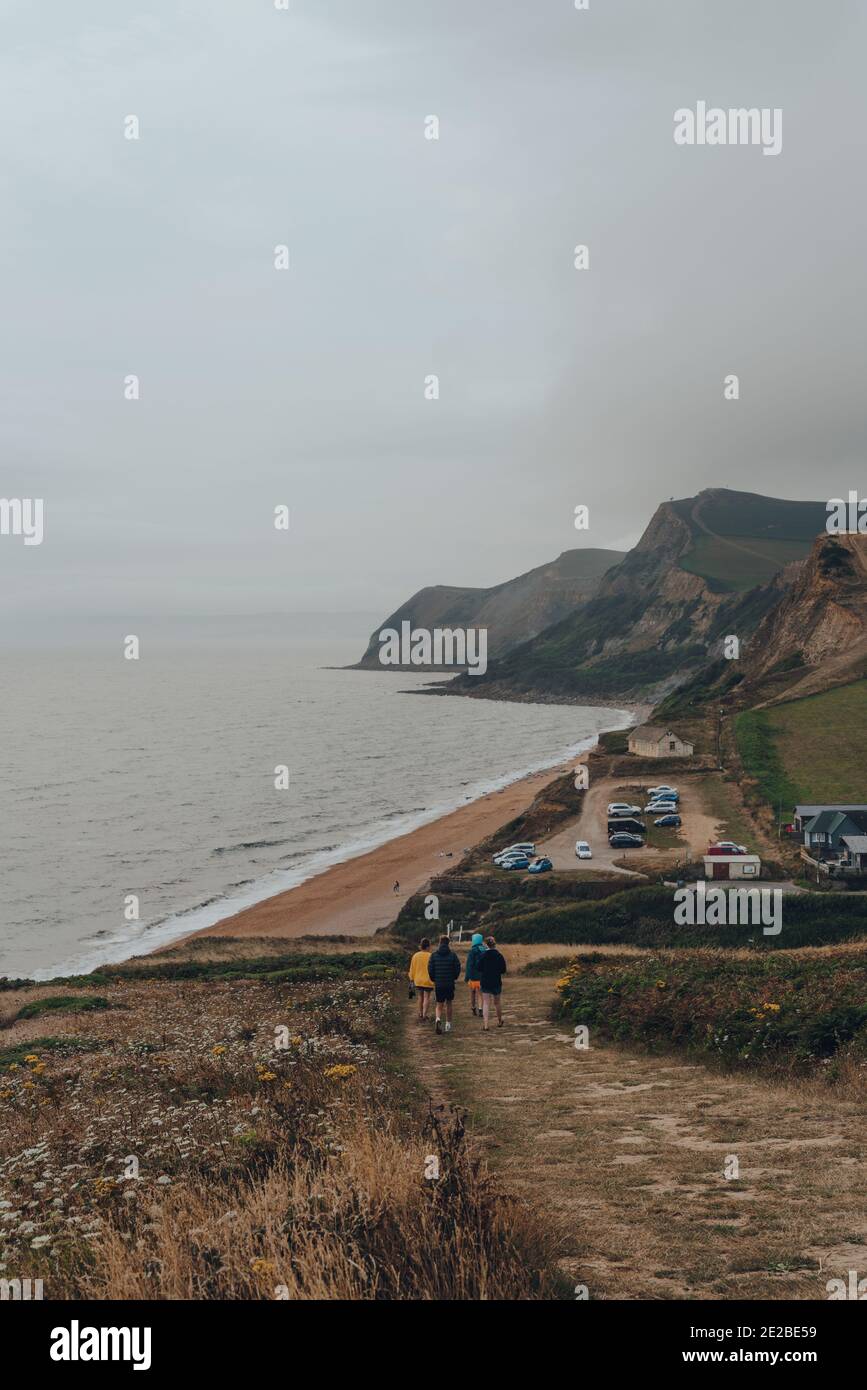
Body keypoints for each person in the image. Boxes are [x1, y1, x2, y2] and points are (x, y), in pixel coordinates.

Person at [427, 934, 461, 1033]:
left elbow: (430, 969)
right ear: (448, 943)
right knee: (449, 1003)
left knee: (439, 1004)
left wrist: (434, 979)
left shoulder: (433, 955)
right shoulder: (453, 955)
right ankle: (448, 1025)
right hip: (449, 984)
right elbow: (457, 968)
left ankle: (438, 1019)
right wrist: (454, 977)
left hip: (439, 984)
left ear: (440, 943)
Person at [478, 935, 507, 1031]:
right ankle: (499, 1020)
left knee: (486, 1003)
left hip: (485, 981)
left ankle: (486, 1025)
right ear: (494, 944)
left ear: (486, 945)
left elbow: (478, 968)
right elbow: (503, 970)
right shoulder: (499, 955)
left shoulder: (482, 955)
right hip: (496, 981)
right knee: (497, 1002)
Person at [408, 938, 434, 1022]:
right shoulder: (431, 956)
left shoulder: (415, 955)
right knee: (426, 997)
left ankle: (420, 1013)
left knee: (420, 997)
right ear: (427, 946)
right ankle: (424, 1015)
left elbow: (412, 969)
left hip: (418, 980)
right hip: (428, 980)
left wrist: (411, 979)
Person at [464, 932, 485, 1016]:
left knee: (472, 993)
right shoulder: (484, 950)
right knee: (480, 993)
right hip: (482, 977)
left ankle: (473, 1008)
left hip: (473, 977)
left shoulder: (472, 951)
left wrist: (467, 977)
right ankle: (480, 1009)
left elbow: (469, 965)